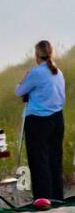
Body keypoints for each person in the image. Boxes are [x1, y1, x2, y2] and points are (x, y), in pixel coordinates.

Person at [16, 40, 67, 203]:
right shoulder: (58, 72)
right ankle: (57, 194)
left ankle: (44, 196)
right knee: (55, 158)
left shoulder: (36, 72)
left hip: (38, 120)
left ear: (37, 54)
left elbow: (19, 91)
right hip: (57, 118)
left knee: (39, 160)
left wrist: (23, 79)